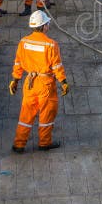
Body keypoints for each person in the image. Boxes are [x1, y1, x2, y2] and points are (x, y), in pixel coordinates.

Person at [9, 10, 70, 153]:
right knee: (46, 114)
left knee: (26, 114)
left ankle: (19, 144)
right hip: (45, 85)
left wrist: (15, 80)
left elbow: (18, 63)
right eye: (47, 24)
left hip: (29, 83)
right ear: (44, 26)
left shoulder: (23, 42)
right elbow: (57, 66)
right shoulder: (51, 45)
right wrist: (64, 82)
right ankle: (44, 143)